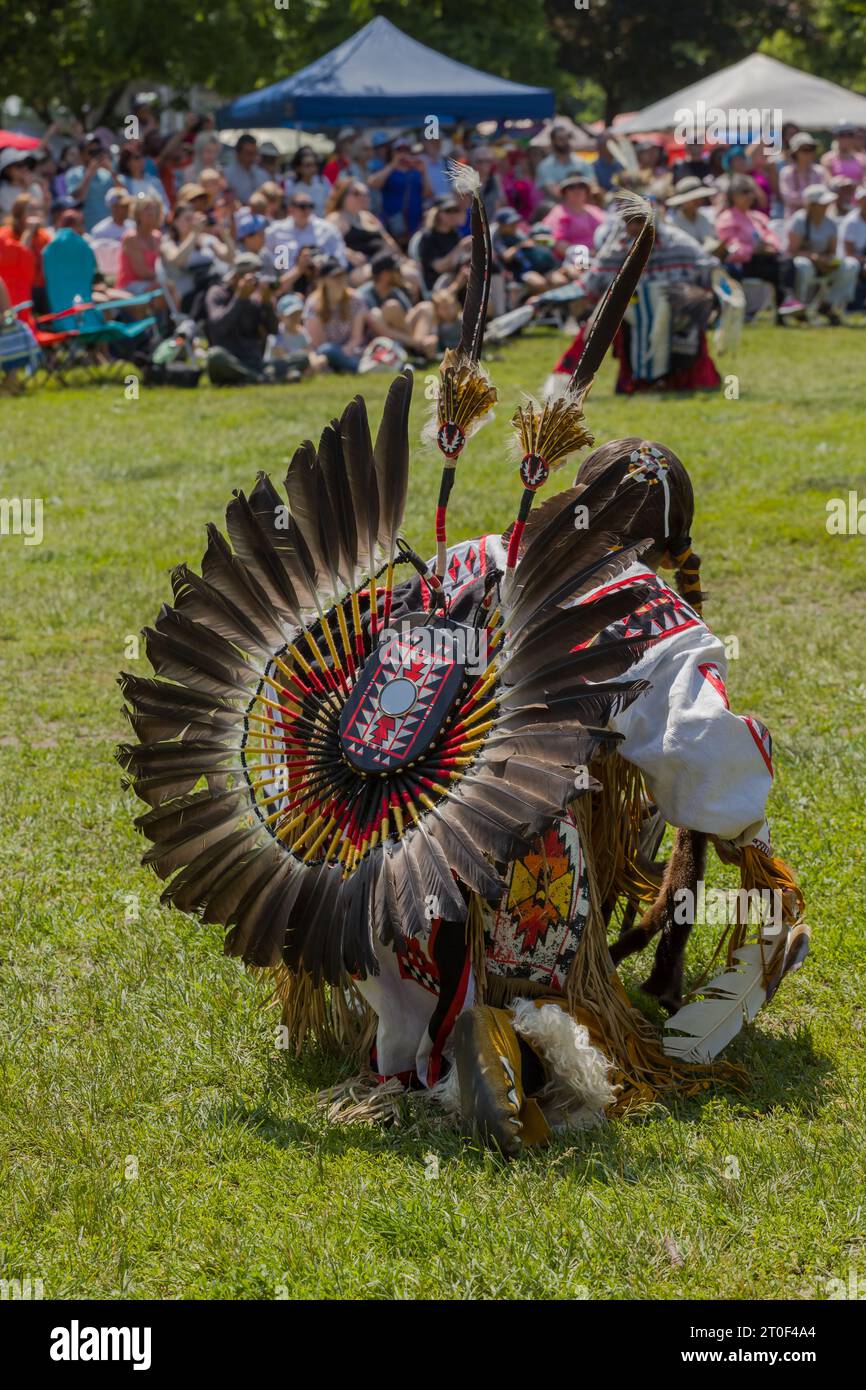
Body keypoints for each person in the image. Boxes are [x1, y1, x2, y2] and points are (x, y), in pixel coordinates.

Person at [716, 174, 802, 324]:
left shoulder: (757, 217)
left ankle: (786, 304)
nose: (749, 196)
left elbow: (772, 237)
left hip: (763, 260)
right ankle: (785, 301)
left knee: (785, 262)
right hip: (743, 263)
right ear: (733, 196)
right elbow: (731, 248)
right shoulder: (727, 219)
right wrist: (754, 249)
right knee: (781, 265)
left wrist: (770, 247)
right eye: (744, 192)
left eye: (751, 191)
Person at [787, 184, 859, 321]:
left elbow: (832, 252)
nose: (826, 206)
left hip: (822, 264)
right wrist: (814, 258)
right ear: (811, 205)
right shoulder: (799, 220)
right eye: (822, 203)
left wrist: (828, 262)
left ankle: (827, 305)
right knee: (803, 265)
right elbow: (793, 251)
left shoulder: (830, 223)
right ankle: (799, 308)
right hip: (803, 262)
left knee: (851, 265)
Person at [204, 251, 277, 384]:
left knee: (302, 358)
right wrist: (239, 298)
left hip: (253, 360)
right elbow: (219, 326)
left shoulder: (256, 299)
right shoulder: (217, 293)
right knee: (214, 356)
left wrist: (267, 304)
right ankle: (260, 378)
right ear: (237, 276)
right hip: (229, 360)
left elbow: (273, 330)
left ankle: (252, 377)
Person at [356, 250, 437, 359]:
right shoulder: (363, 294)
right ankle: (419, 348)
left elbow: (406, 321)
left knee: (426, 307)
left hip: (401, 337)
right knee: (390, 307)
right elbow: (374, 327)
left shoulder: (395, 291)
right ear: (385, 275)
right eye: (397, 270)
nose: (401, 273)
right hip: (374, 342)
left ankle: (418, 349)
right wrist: (417, 341)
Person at [159, 201, 232, 316]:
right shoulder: (168, 244)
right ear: (175, 222)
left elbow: (230, 258)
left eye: (193, 219)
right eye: (187, 219)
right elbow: (178, 260)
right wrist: (194, 234)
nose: (192, 223)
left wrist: (226, 235)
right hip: (190, 299)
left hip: (214, 290)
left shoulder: (207, 240)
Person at [301, 256, 368, 372]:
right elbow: (317, 343)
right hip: (324, 352)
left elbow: (356, 337)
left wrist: (345, 351)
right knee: (327, 350)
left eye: (342, 275)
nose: (340, 280)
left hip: (349, 351)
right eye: (334, 277)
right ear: (323, 281)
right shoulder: (313, 304)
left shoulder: (355, 299)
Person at [325, 178, 401, 276]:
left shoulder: (368, 216)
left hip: (386, 263)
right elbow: (330, 245)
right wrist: (351, 255)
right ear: (342, 195)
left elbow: (389, 241)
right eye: (356, 193)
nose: (362, 197)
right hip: (359, 268)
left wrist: (401, 258)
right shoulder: (336, 218)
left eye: (365, 194)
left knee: (411, 271)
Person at [266, 190, 347, 275]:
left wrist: (324, 264)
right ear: (291, 208)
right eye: (302, 206)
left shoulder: (328, 229)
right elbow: (269, 261)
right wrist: (299, 268)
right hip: (289, 283)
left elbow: (341, 260)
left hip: (321, 281)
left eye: (310, 206)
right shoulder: (275, 231)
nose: (307, 210)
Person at [367, 137, 430, 243]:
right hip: (393, 223)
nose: (403, 153)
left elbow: (427, 194)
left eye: (406, 150)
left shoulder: (416, 171)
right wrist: (393, 164)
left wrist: (424, 172)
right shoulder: (387, 168)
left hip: (415, 223)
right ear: (392, 153)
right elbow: (372, 184)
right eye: (399, 150)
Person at [415, 194, 470, 294]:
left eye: (455, 210)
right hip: (439, 286)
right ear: (437, 213)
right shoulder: (428, 237)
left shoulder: (455, 234)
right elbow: (439, 267)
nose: (452, 214)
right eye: (448, 211)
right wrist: (460, 247)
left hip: (458, 280)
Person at [542, 174, 605, 259]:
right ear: (564, 192)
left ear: (586, 191)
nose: (577, 190)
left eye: (581, 186)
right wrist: (588, 255)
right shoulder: (558, 213)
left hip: (604, 256)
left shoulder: (595, 210)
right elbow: (557, 244)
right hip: (576, 261)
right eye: (571, 187)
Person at [62, 133, 116, 230]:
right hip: (86, 229)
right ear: (82, 154)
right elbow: (78, 197)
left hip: (106, 229)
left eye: (97, 151)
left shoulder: (107, 174)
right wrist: (89, 173)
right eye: (91, 152)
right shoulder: (73, 174)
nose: (95, 155)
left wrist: (111, 170)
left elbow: (123, 194)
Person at [264, 291, 325, 376]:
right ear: (280, 316)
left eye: (297, 314)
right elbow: (282, 356)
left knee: (322, 358)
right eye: (291, 315)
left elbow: (309, 351)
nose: (295, 318)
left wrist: (313, 361)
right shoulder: (277, 333)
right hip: (277, 366)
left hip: (299, 363)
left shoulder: (302, 332)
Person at [117, 194, 163, 300]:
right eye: (147, 209)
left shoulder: (158, 236)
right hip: (130, 285)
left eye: (155, 209)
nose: (152, 213)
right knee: (163, 288)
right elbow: (141, 272)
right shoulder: (131, 238)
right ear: (138, 214)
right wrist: (164, 278)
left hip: (153, 281)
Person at [535, 121, 593, 200]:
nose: (565, 142)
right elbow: (553, 192)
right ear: (553, 142)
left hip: (581, 205)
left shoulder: (582, 163)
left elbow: (592, 186)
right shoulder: (545, 166)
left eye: (567, 138)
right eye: (561, 139)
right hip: (556, 206)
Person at [779, 133, 828, 217]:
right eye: (804, 150)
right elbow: (788, 198)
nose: (808, 153)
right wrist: (812, 200)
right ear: (795, 153)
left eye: (811, 149)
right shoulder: (786, 172)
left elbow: (824, 195)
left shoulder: (820, 171)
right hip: (793, 219)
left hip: (816, 218)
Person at [664, 177, 718, 248]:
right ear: (683, 201)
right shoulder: (672, 223)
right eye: (693, 199)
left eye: (699, 197)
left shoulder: (708, 215)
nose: (698, 201)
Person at [118, 141, 169, 210]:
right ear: (127, 162)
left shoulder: (154, 181)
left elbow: (165, 206)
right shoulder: (121, 182)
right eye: (136, 157)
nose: (141, 160)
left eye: (142, 157)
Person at [838, 183, 866, 309]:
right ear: (859, 201)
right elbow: (848, 253)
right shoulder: (851, 222)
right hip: (852, 261)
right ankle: (853, 305)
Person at [284, 145, 330, 217]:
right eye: (308, 165)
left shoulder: (323, 182)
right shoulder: (290, 185)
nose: (312, 168)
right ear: (298, 167)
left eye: (313, 164)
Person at [225, 134, 268, 204]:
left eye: (254, 153)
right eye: (248, 153)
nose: (252, 157)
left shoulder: (263, 175)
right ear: (238, 153)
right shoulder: (227, 175)